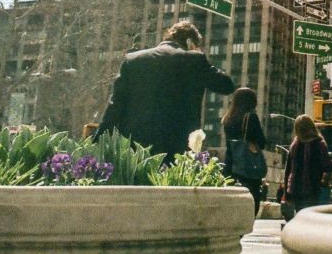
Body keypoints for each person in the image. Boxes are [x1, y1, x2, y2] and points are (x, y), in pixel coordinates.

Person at [96, 21, 233, 164]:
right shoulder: (194, 61)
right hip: (175, 149)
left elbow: (115, 106)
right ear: (190, 42)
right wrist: (198, 54)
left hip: (135, 150)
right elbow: (227, 86)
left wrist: (97, 142)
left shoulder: (133, 60)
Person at [221, 87, 266, 254]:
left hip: (231, 169)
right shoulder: (251, 117)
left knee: (234, 212)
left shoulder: (227, 119)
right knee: (250, 210)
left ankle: (229, 252)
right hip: (249, 170)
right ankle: (229, 251)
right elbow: (261, 141)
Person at [283, 115, 332, 217]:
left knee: (301, 216)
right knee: (314, 218)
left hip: (296, 188)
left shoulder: (294, 145)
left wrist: (286, 193)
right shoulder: (320, 144)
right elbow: (327, 167)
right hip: (315, 188)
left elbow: (288, 170)